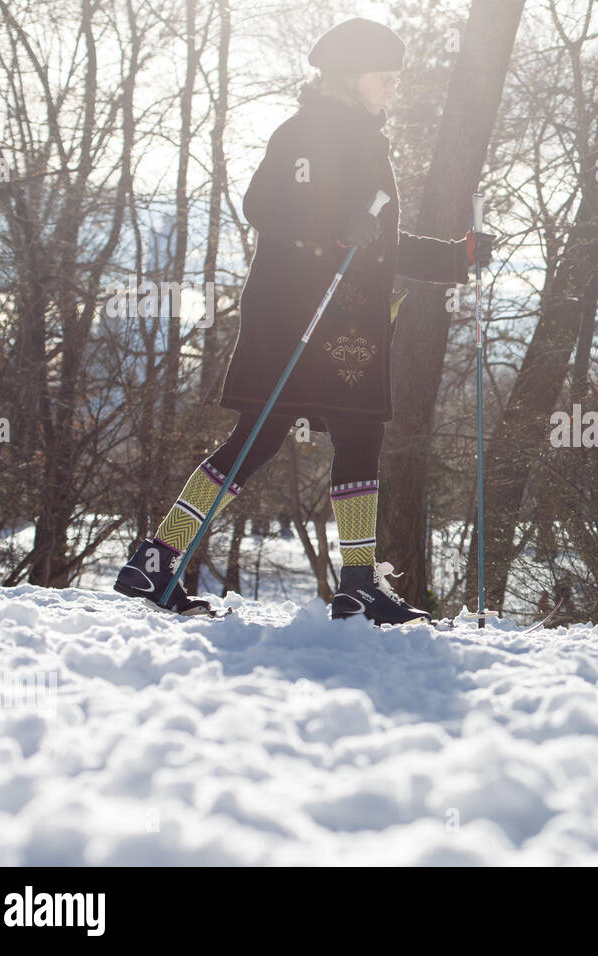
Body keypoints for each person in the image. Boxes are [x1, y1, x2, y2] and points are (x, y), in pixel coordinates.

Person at [115, 18, 493, 625]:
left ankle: (161, 562)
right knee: (280, 436)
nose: (394, 90)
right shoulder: (305, 133)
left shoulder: (369, 142)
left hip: (345, 328)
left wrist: (455, 256)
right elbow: (263, 204)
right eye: (385, 78)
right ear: (350, 77)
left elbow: (377, 241)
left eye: (397, 80)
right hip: (297, 321)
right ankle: (352, 586)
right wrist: (333, 226)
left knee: (324, 437)